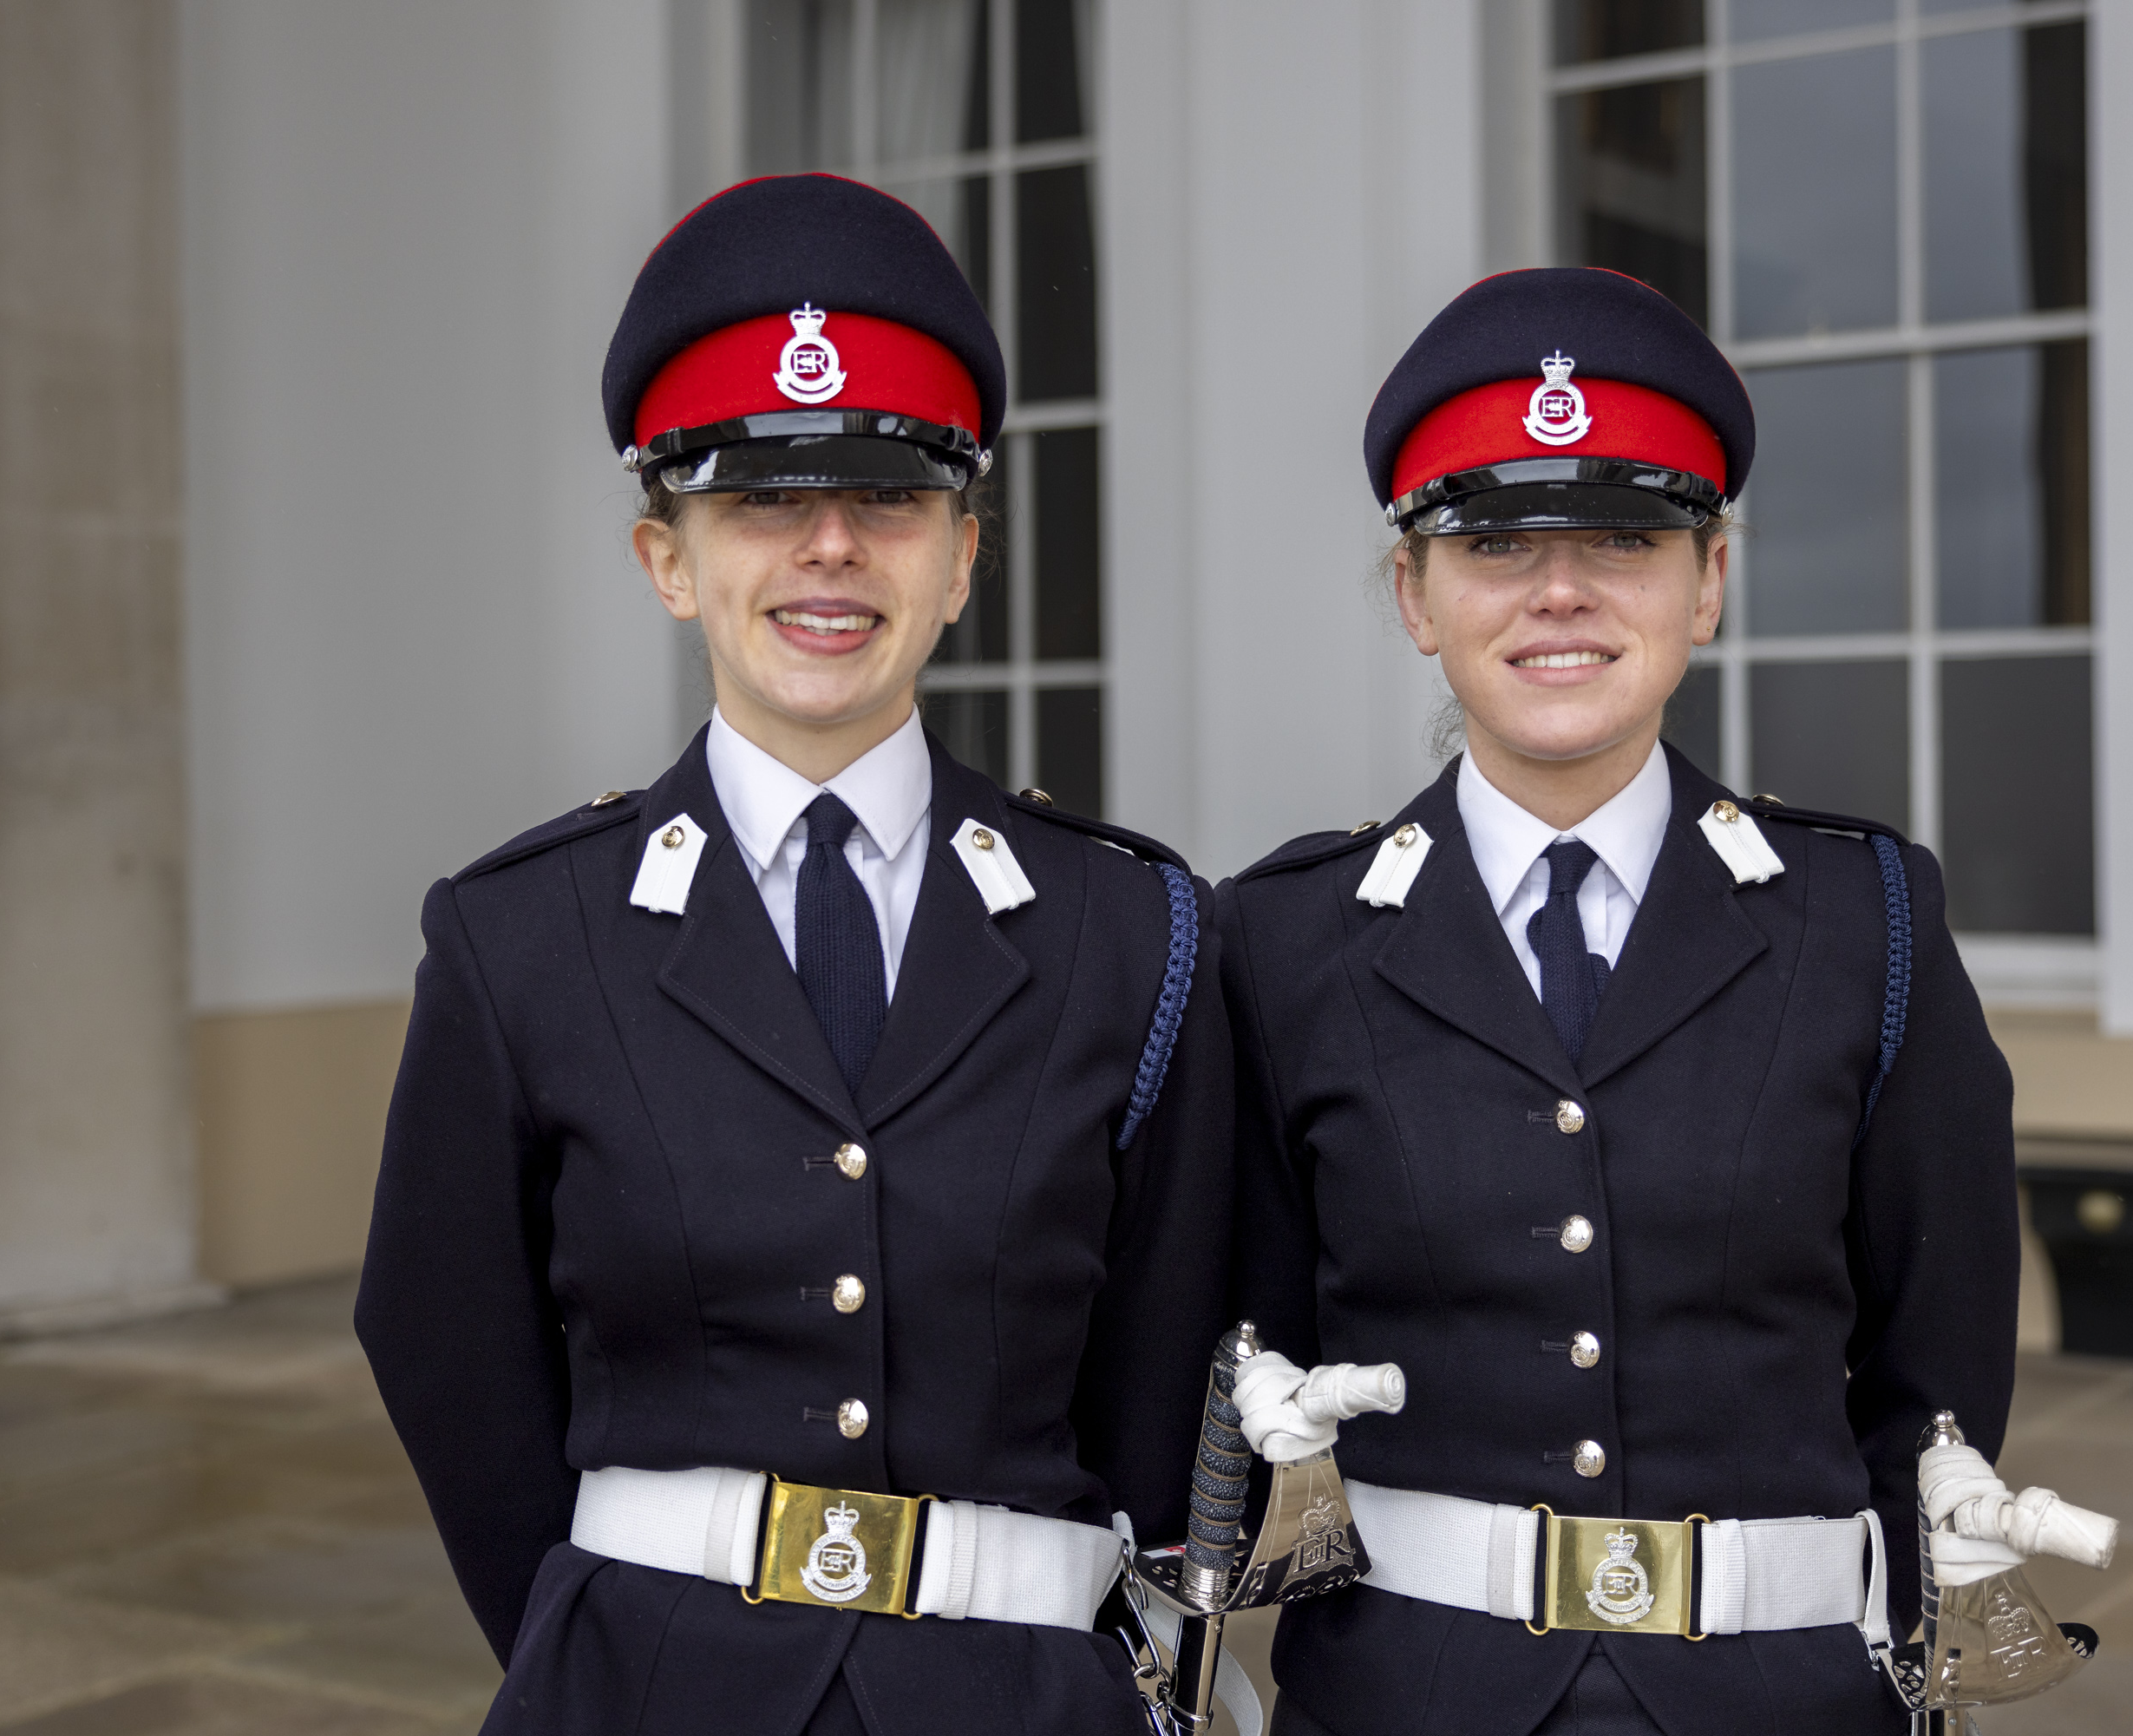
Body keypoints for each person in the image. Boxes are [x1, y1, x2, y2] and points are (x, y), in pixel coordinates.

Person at [355, 174, 1229, 1735]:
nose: (830, 550)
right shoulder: (517, 936)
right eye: (762, 499)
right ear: (667, 560)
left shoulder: (1134, 928)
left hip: (1021, 1697)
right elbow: (442, 1339)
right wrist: (587, 1631)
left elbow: (1161, 1365)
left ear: (962, 560)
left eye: (891, 499)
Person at [1214, 267, 2020, 1735]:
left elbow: (1939, 1375)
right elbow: (1238, 1354)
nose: (1561, 592)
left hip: (1779, 1699)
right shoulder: (1284, 941)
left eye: (1626, 538)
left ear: (1707, 580)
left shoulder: (1866, 918)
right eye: (1496, 541)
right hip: (1407, 1698)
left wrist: (1908, 1641)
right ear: (1415, 593)